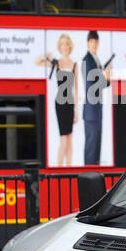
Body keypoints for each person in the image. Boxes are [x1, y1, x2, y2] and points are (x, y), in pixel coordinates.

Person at [35, 34, 78, 167]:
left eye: (66, 44)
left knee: (70, 139)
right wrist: (45, 54)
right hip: (60, 102)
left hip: (70, 102)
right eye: (62, 44)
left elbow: (76, 88)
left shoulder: (74, 64)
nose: (64, 47)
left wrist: (76, 110)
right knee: (64, 139)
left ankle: (69, 167)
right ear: (60, 47)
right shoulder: (56, 63)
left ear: (69, 46)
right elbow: (37, 62)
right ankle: (60, 167)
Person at [80, 30, 112, 166]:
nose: (94, 45)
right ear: (88, 43)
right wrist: (105, 75)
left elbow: (101, 83)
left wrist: (107, 77)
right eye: (92, 42)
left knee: (96, 147)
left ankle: (94, 172)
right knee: (91, 148)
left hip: (96, 110)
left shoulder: (95, 59)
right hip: (91, 112)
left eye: (96, 42)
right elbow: (92, 84)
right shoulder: (87, 60)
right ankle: (89, 174)